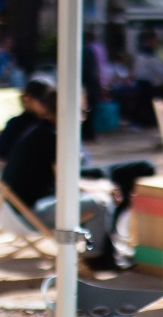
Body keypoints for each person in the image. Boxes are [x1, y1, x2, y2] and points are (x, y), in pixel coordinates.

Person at [1, 89, 120, 270]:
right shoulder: (53, 137)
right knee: (102, 202)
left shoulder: (41, 131)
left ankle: (100, 253)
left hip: (12, 212)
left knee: (100, 191)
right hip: (30, 215)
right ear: (69, 111)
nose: (83, 118)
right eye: (82, 112)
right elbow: (67, 183)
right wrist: (100, 188)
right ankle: (94, 257)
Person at [0, 77, 55, 164]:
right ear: (26, 98)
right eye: (43, 101)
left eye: (50, 102)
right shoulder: (16, 124)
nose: (47, 106)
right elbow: (3, 157)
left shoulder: (52, 124)